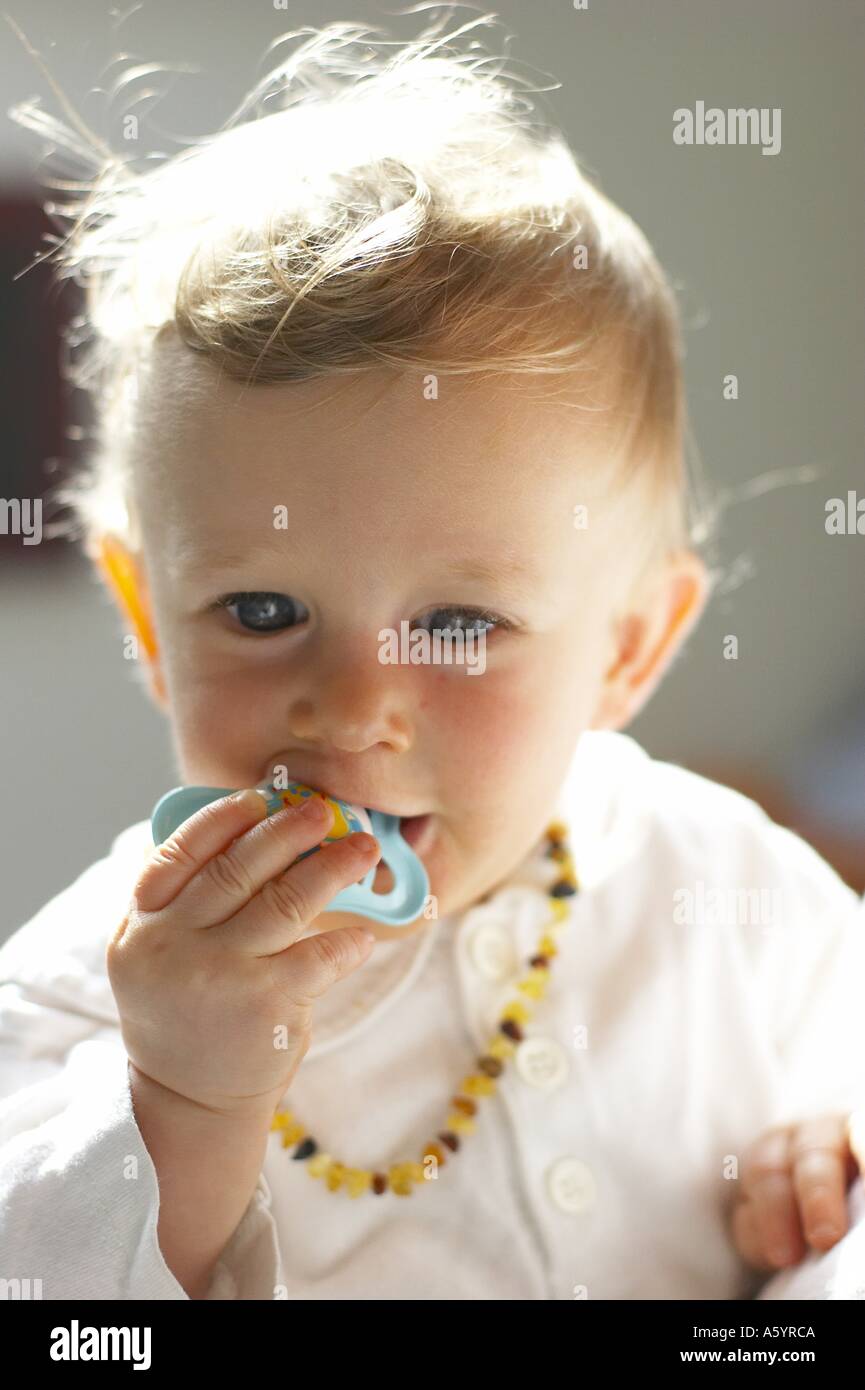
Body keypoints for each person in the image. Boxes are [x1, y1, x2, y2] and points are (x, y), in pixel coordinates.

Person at [2, 12, 864, 1301]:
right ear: (145, 619)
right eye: (258, 612)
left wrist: (833, 1172)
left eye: (459, 627)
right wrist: (180, 1109)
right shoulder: (86, 992)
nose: (353, 713)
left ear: (628, 649)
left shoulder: (738, 892)